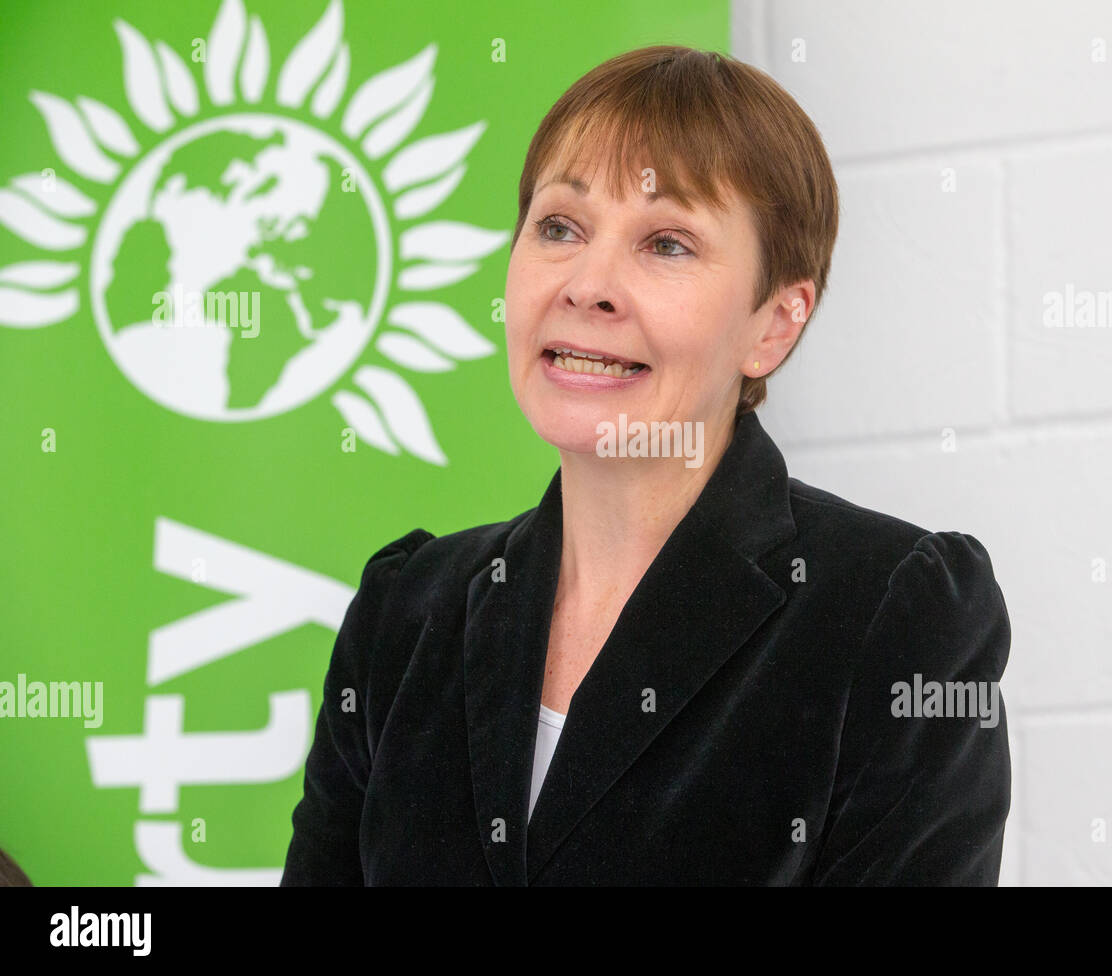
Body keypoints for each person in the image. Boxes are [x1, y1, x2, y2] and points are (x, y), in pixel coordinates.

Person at [281, 45, 1011, 885]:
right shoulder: (406, 614)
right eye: (560, 226)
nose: (589, 284)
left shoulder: (895, 614)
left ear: (774, 324)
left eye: (666, 243)